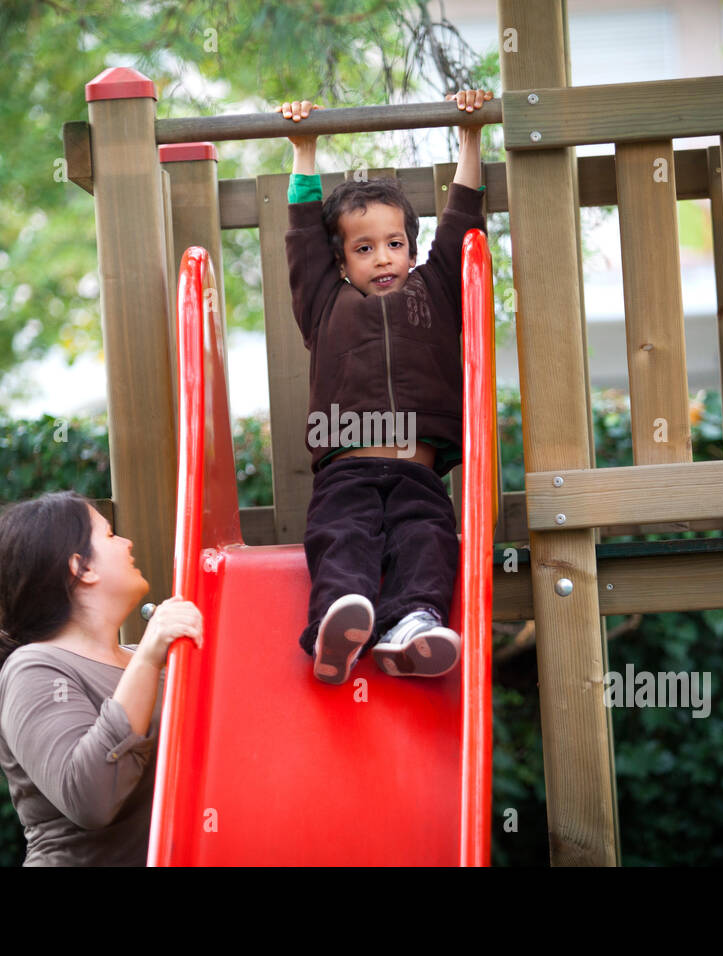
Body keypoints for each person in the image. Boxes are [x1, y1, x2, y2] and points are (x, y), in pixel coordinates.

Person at [278, 88, 491, 685]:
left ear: (412, 248)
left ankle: (412, 628)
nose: (382, 258)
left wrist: (469, 136)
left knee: (427, 540)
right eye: (364, 248)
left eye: (394, 244)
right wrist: (304, 148)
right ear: (342, 262)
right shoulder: (325, 301)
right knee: (341, 540)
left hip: (419, 473)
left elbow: (462, 219)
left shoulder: (435, 289)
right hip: (346, 470)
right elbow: (302, 237)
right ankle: (334, 630)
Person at [0, 490, 202, 865]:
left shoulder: (143, 662)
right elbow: (92, 799)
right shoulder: (31, 669)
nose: (127, 543)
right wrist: (148, 657)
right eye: (110, 535)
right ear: (82, 567)